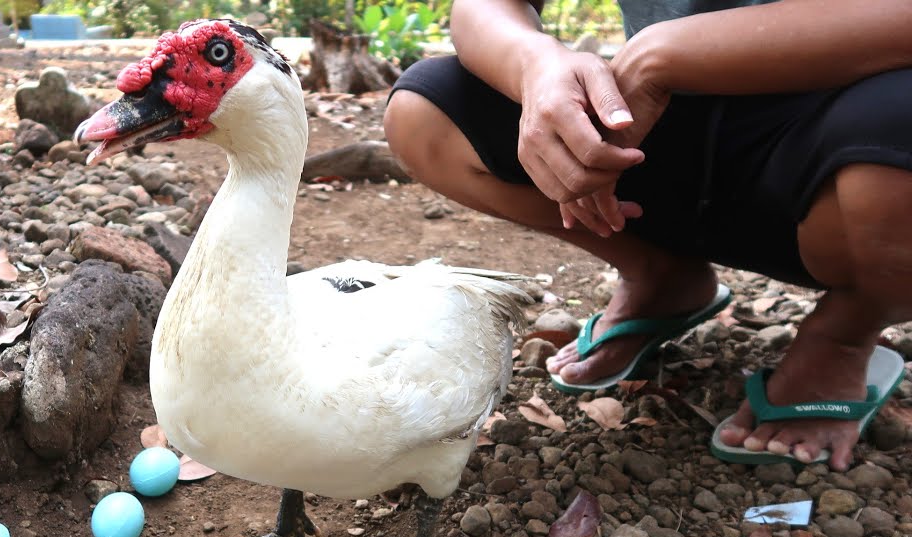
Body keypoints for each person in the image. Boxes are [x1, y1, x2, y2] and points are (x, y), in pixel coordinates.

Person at [383, 0, 912, 470]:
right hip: (654, 125)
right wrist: (536, 65)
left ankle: (844, 333)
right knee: (426, 111)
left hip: (846, 138)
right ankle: (661, 275)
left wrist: (665, 50)